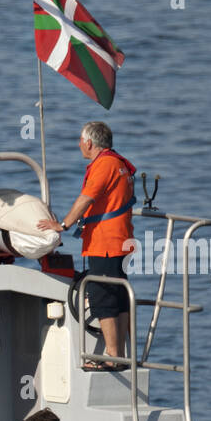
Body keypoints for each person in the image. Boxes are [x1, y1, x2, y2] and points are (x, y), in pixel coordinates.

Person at [37, 121, 136, 370]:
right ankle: (121, 354)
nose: (79, 145)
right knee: (119, 295)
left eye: (80, 140)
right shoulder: (119, 163)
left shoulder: (104, 165)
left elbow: (87, 198)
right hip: (120, 240)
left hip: (106, 241)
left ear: (89, 142)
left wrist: (63, 224)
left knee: (103, 297)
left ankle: (113, 356)